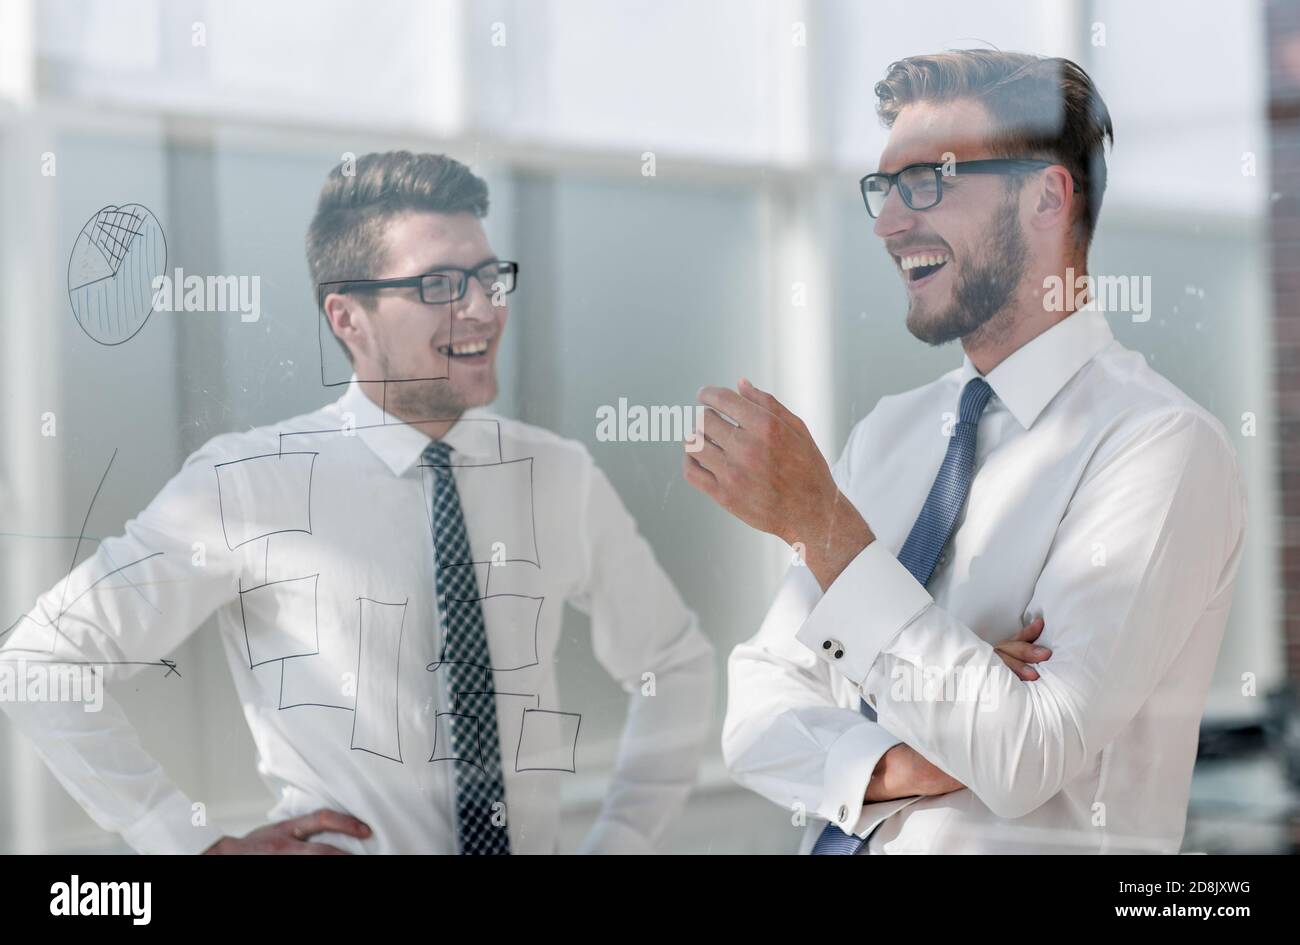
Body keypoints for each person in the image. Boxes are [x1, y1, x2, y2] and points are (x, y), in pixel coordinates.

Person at [2, 151, 714, 854]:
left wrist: (621, 839)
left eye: (488, 276)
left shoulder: (558, 475)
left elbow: (675, 661)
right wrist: (191, 843)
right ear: (348, 318)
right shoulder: (249, 483)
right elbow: (40, 663)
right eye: (439, 283)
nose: (482, 308)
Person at [685, 50, 1246, 854]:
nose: (886, 223)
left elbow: (1022, 754)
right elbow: (757, 714)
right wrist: (908, 752)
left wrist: (825, 528)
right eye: (884, 187)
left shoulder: (1158, 445)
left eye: (927, 182)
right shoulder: (888, 433)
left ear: (1045, 197)